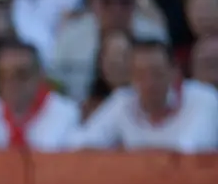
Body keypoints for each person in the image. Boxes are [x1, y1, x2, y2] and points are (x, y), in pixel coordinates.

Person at [74, 36, 218, 149]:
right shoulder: (122, 101)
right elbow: (78, 144)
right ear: (130, 77)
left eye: (157, 73)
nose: (149, 83)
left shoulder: (204, 98)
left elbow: (189, 151)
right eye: (140, 75)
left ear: (173, 72)